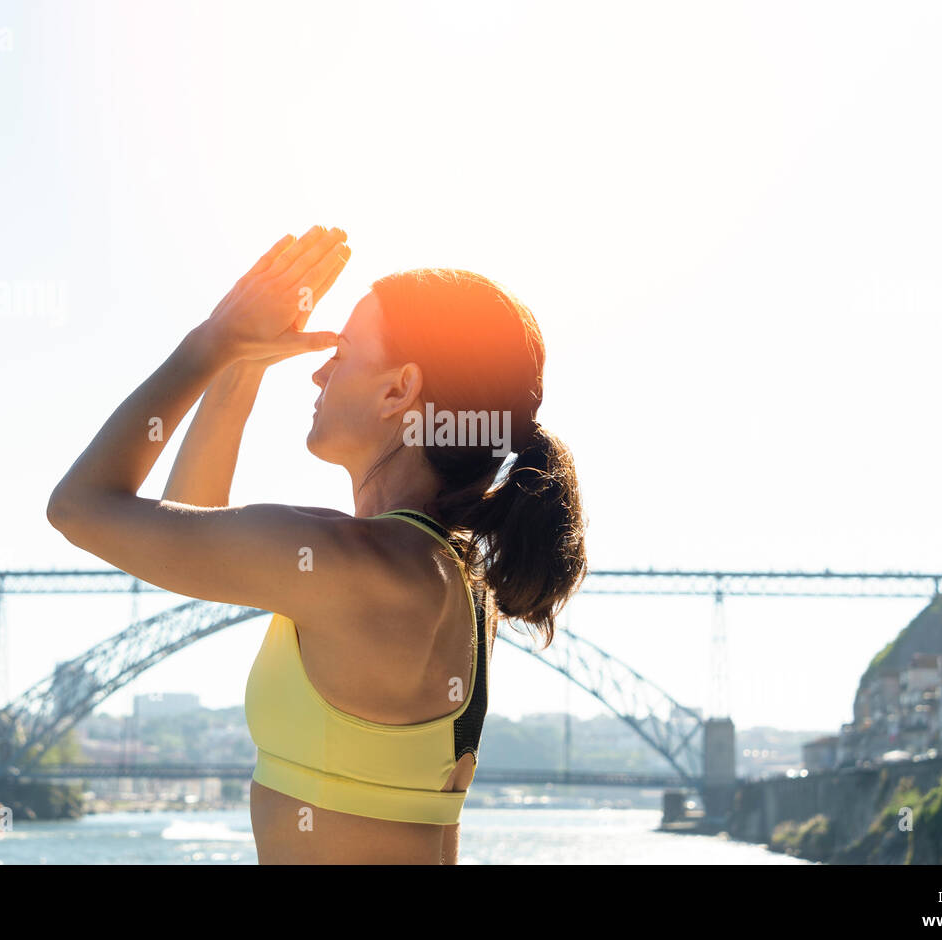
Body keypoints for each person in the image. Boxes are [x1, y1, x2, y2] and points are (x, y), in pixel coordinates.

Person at [47, 225, 587, 863]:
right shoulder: (450, 577)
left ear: (398, 390)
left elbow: (79, 508)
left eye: (344, 352)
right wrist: (241, 366)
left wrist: (210, 344)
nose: (318, 374)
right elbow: (188, 543)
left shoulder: (343, 561)